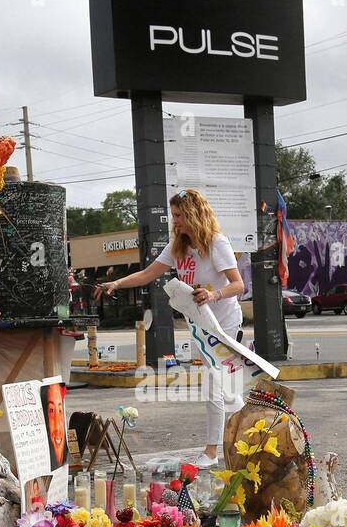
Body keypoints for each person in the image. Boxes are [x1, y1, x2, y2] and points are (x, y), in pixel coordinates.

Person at [95, 188, 244, 466]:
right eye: (173, 215)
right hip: (201, 325)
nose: (174, 221)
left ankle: (211, 452)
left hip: (225, 323)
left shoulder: (216, 243)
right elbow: (147, 274)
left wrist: (213, 295)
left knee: (214, 384)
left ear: (193, 215)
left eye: (178, 215)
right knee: (227, 390)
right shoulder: (177, 248)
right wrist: (115, 283)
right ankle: (248, 430)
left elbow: (238, 285)